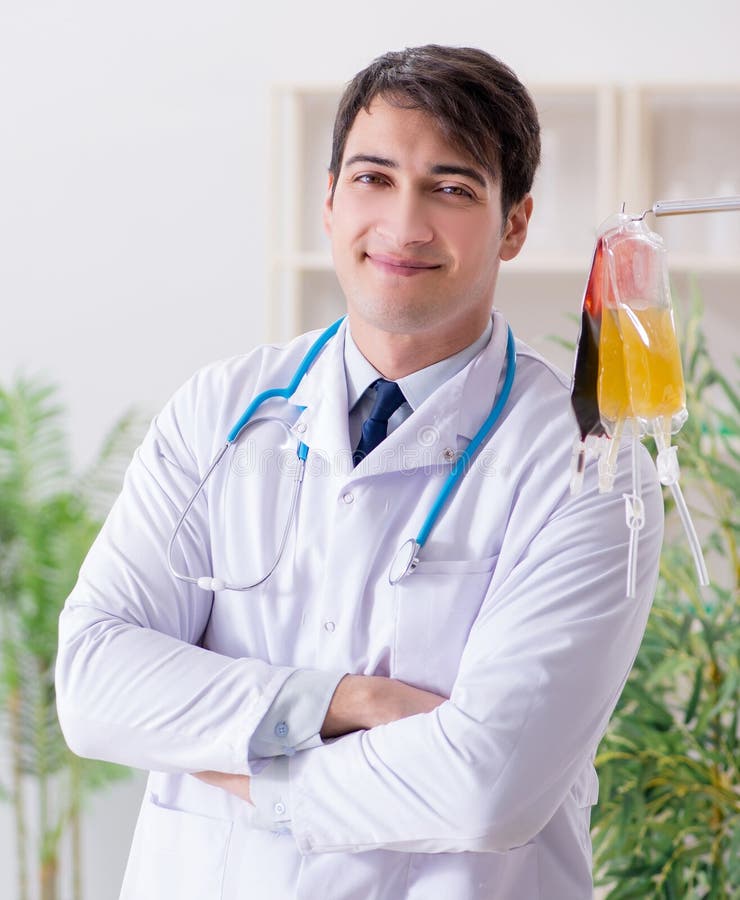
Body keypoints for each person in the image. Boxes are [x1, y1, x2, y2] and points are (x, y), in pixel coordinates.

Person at [55, 44, 663, 900]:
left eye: (452, 189)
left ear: (514, 224)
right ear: (330, 201)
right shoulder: (219, 411)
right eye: (374, 178)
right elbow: (93, 681)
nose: (405, 225)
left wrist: (244, 769)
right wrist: (347, 701)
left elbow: (489, 786)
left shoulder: (586, 465)